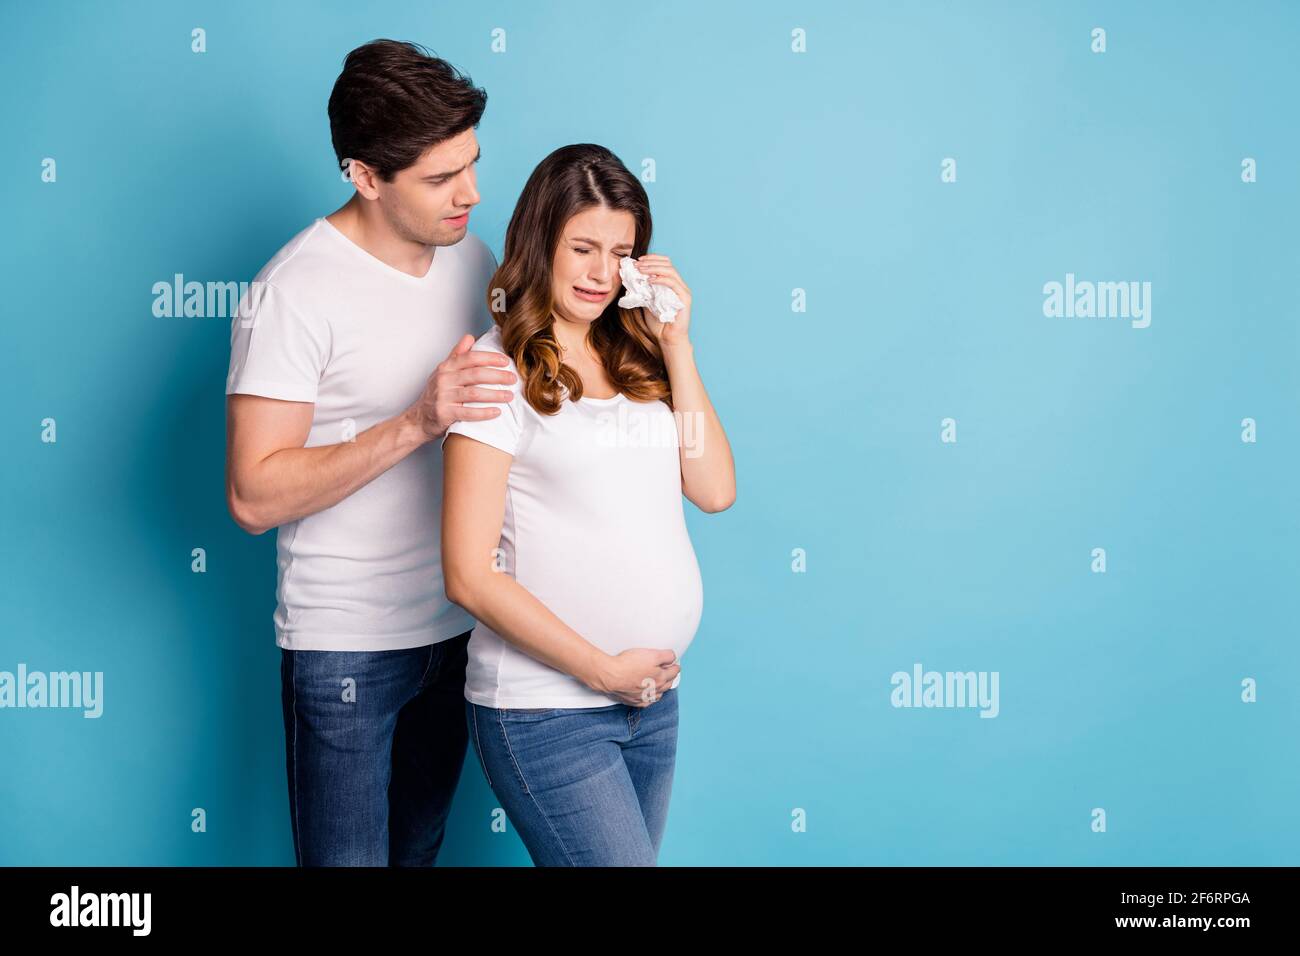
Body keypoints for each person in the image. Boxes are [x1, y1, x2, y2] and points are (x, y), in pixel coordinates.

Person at [224, 39, 516, 866]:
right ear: (364, 176)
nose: (471, 194)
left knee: (418, 851)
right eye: (439, 179)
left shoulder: (475, 258)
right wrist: (416, 421)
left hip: (458, 631)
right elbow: (251, 496)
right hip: (344, 646)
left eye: (471, 165)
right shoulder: (293, 293)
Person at [441, 143, 736, 866]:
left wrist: (678, 345)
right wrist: (602, 670)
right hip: (546, 708)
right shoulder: (495, 372)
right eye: (582, 248)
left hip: (651, 704)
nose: (603, 273)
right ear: (542, 242)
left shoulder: (640, 357)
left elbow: (714, 489)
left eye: (621, 251)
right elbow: (468, 575)